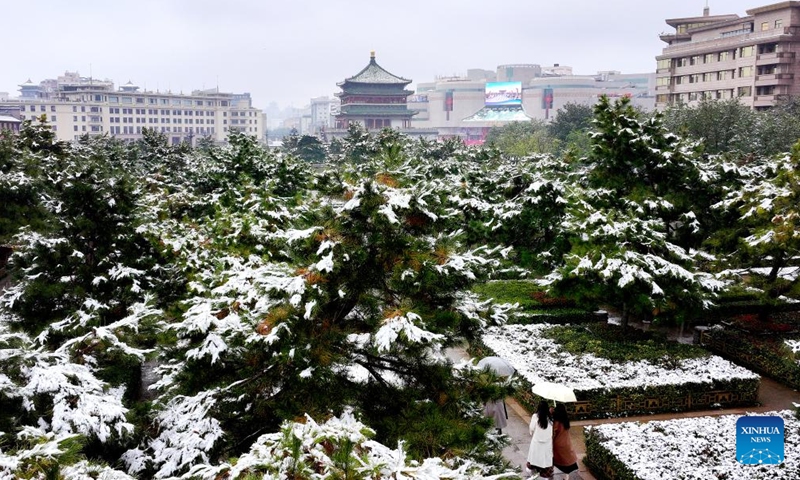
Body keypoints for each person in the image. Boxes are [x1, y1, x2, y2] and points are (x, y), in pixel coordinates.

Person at [526, 400, 553, 478]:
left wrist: (532, 433)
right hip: (547, 445)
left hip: (536, 443)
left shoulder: (535, 416)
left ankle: (533, 477)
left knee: (532, 463)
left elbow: (531, 428)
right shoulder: (550, 419)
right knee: (545, 463)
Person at [552, 403, 580, 477]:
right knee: (567, 460)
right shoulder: (566, 420)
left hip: (558, 443)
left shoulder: (556, 421)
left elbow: (553, 431)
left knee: (556, 461)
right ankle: (567, 475)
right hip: (566, 442)